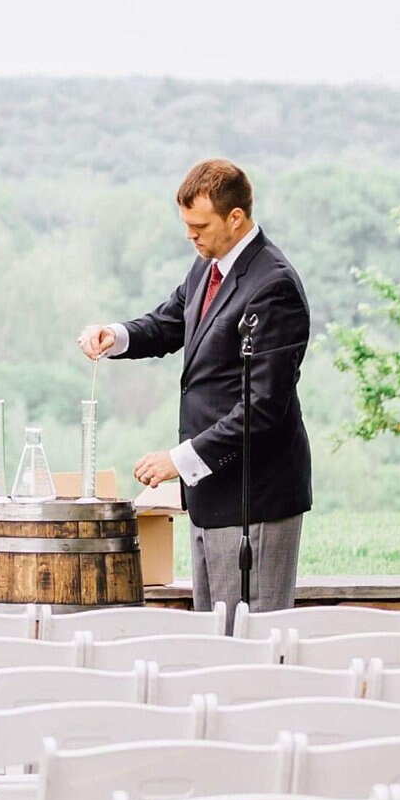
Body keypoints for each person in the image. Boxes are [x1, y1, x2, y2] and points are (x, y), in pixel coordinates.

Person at [77, 158, 312, 613]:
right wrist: (115, 335)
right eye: (187, 225)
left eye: (200, 225)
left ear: (236, 218)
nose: (191, 235)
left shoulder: (274, 286)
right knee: (214, 636)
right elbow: (170, 322)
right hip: (211, 495)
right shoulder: (207, 266)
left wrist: (178, 461)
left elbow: (262, 407)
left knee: (248, 642)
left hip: (255, 498)